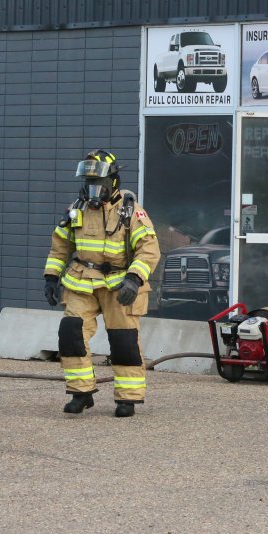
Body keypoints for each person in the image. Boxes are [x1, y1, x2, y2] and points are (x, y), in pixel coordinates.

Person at [43, 149, 160, 418]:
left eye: (99, 185)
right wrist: (51, 277)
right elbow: (60, 246)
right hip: (82, 281)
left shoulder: (130, 212)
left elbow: (149, 250)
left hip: (120, 285)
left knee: (124, 341)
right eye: (88, 184)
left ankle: (127, 398)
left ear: (113, 182)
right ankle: (80, 393)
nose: (93, 190)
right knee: (71, 335)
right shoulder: (77, 209)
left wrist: (134, 278)